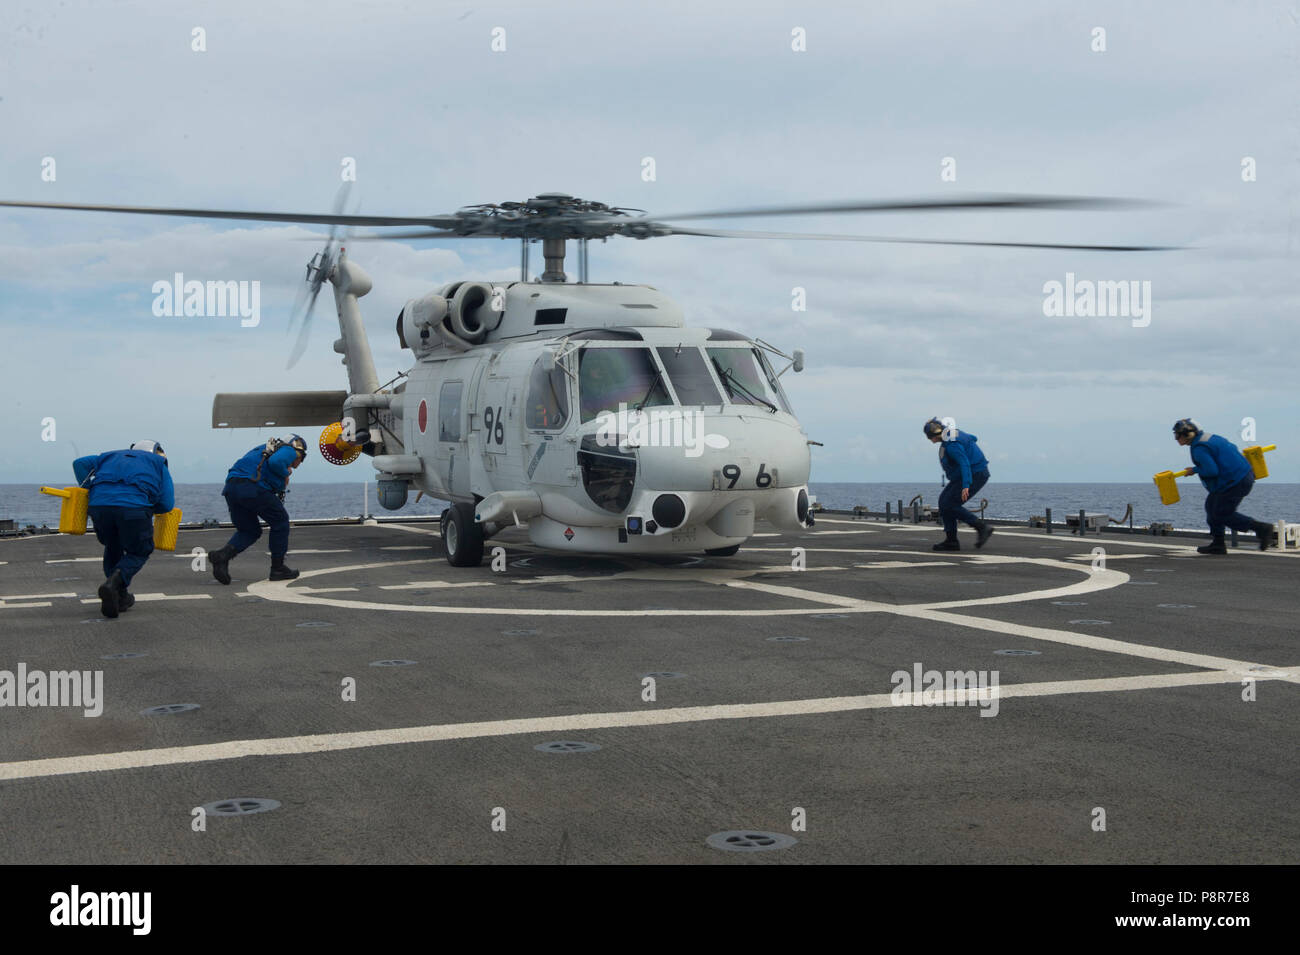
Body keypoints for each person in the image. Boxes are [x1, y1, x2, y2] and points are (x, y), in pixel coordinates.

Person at [72, 440, 174, 618]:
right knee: (140, 550)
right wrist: (149, 508)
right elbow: (166, 504)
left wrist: (90, 488)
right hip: (134, 509)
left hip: (99, 507)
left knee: (113, 546)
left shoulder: (109, 456)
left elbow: (79, 463)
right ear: (157, 452)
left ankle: (119, 596)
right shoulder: (158, 463)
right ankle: (113, 584)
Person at [208, 435, 308, 584]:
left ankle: (222, 556)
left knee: (249, 531)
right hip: (252, 487)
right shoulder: (289, 449)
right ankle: (278, 568)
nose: (298, 462)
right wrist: (286, 474)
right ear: (298, 450)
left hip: (232, 487)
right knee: (280, 522)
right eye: (302, 456)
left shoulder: (263, 449)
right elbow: (276, 462)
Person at [1173, 418, 1274, 554]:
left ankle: (1261, 528)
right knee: (1211, 506)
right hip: (1241, 476)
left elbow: (1211, 471)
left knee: (1221, 513)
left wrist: (1194, 470)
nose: (1176, 438)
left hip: (1235, 481)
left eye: (1177, 434)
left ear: (1188, 434)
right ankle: (1218, 544)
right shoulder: (1209, 438)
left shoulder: (1199, 448)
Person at [924, 417, 993, 551]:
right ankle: (951, 541)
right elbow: (973, 438)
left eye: (930, 438)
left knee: (950, 504)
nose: (932, 442)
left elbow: (964, 463)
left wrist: (966, 485)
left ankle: (981, 527)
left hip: (974, 475)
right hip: (968, 475)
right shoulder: (954, 433)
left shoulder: (952, 444)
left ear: (935, 434)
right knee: (944, 502)